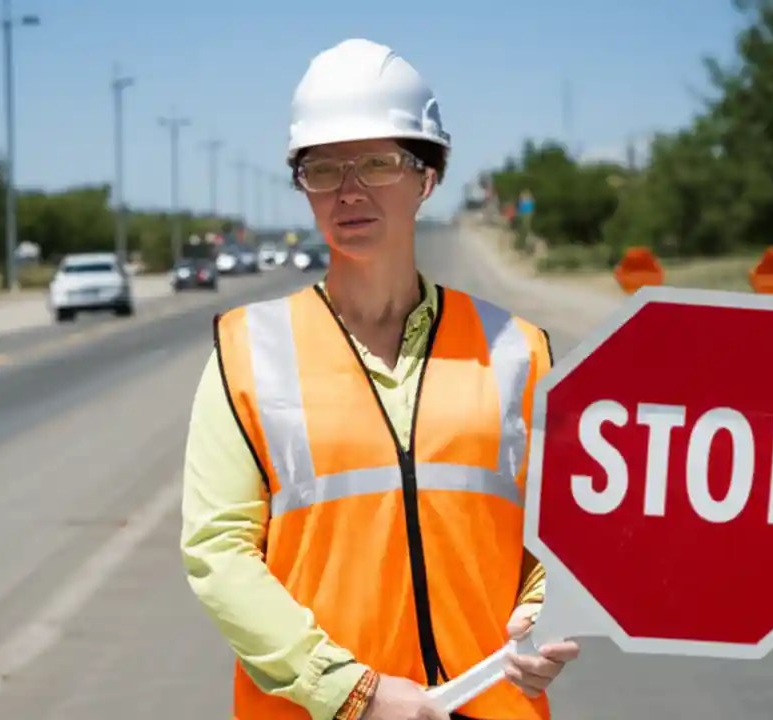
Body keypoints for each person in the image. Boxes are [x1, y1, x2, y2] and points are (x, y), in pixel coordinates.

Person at [180, 38, 580, 720]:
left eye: (378, 162)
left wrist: (542, 621)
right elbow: (219, 553)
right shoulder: (248, 352)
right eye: (323, 168)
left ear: (428, 177)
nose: (349, 190)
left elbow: (565, 539)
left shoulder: (519, 352)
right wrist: (351, 693)